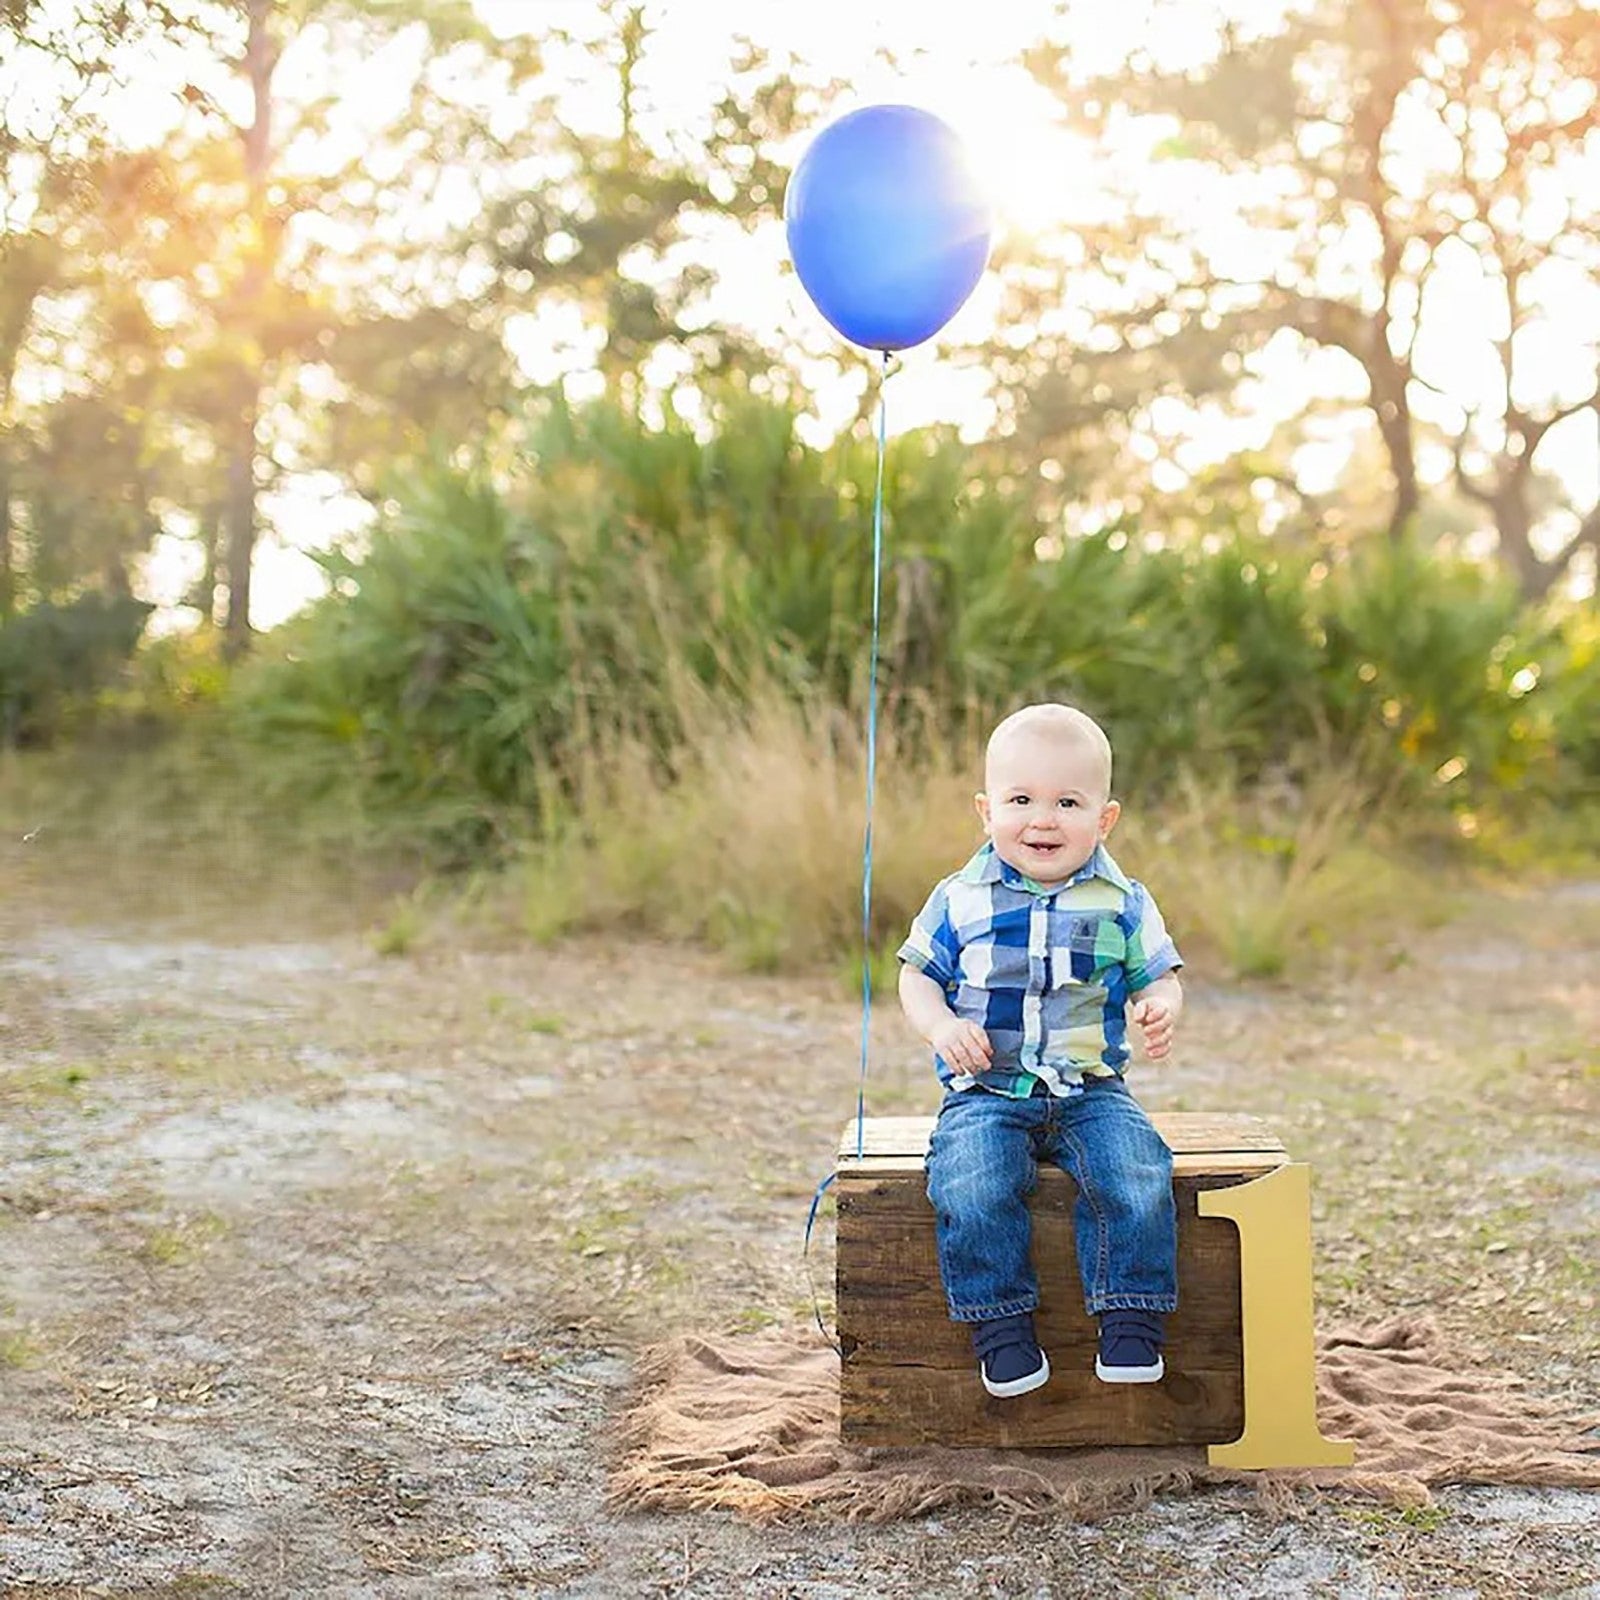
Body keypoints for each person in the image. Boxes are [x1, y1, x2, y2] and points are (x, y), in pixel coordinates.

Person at [896, 703, 1184, 1399]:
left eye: (1067, 802)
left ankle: (1131, 1318)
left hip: (1091, 1090)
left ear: (1104, 819)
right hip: (988, 1091)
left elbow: (1161, 976)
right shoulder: (959, 898)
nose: (1043, 819)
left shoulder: (1123, 902)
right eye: (1021, 799)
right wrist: (939, 1028)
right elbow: (915, 977)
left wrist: (1159, 1009)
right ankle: (1001, 1328)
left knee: (1138, 1169)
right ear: (985, 810)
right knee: (970, 1183)